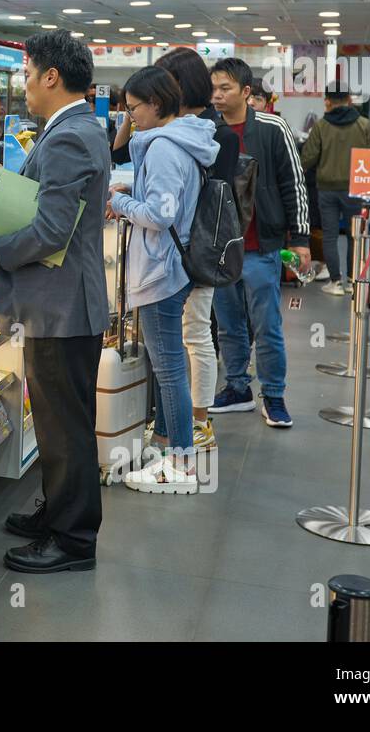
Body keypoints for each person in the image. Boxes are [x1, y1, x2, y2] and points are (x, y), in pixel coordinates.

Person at [0, 30, 109, 573]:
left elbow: (52, 228)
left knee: (65, 426)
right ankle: (58, 512)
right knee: (60, 420)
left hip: (62, 309)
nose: (25, 85)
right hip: (63, 305)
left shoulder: (67, 138)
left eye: (28, 74)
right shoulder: (77, 128)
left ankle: (73, 540)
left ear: (51, 76)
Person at [107, 67, 219, 493]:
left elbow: (160, 214)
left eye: (133, 108)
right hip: (175, 264)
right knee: (170, 364)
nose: (130, 116)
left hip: (161, 270)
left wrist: (120, 203)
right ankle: (174, 448)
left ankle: (182, 463)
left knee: (169, 367)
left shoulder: (163, 149)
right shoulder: (183, 140)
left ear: (156, 103)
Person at [207, 57, 311, 428]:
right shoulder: (207, 129)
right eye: (214, 88)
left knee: (266, 325)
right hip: (219, 249)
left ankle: (274, 394)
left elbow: (294, 183)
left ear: (246, 92)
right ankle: (237, 388)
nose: (217, 96)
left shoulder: (271, 128)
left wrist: (300, 239)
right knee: (228, 325)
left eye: (226, 89)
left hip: (261, 247)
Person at [153, 47, 239, 451]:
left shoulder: (214, 133)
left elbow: (203, 195)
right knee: (183, 334)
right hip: (171, 249)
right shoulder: (176, 126)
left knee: (196, 332)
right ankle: (177, 420)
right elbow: (119, 153)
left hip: (199, 248)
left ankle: (200, 421)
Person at [300, 82, 370, 296]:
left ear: (328, 101)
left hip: (326, 189)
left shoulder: (321, 126)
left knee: (330, 236)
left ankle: (336, 282)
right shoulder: (364, 124)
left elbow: (308, 158)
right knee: (355, 236)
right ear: (349, 100)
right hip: (355, 189)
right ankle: (353, 281)